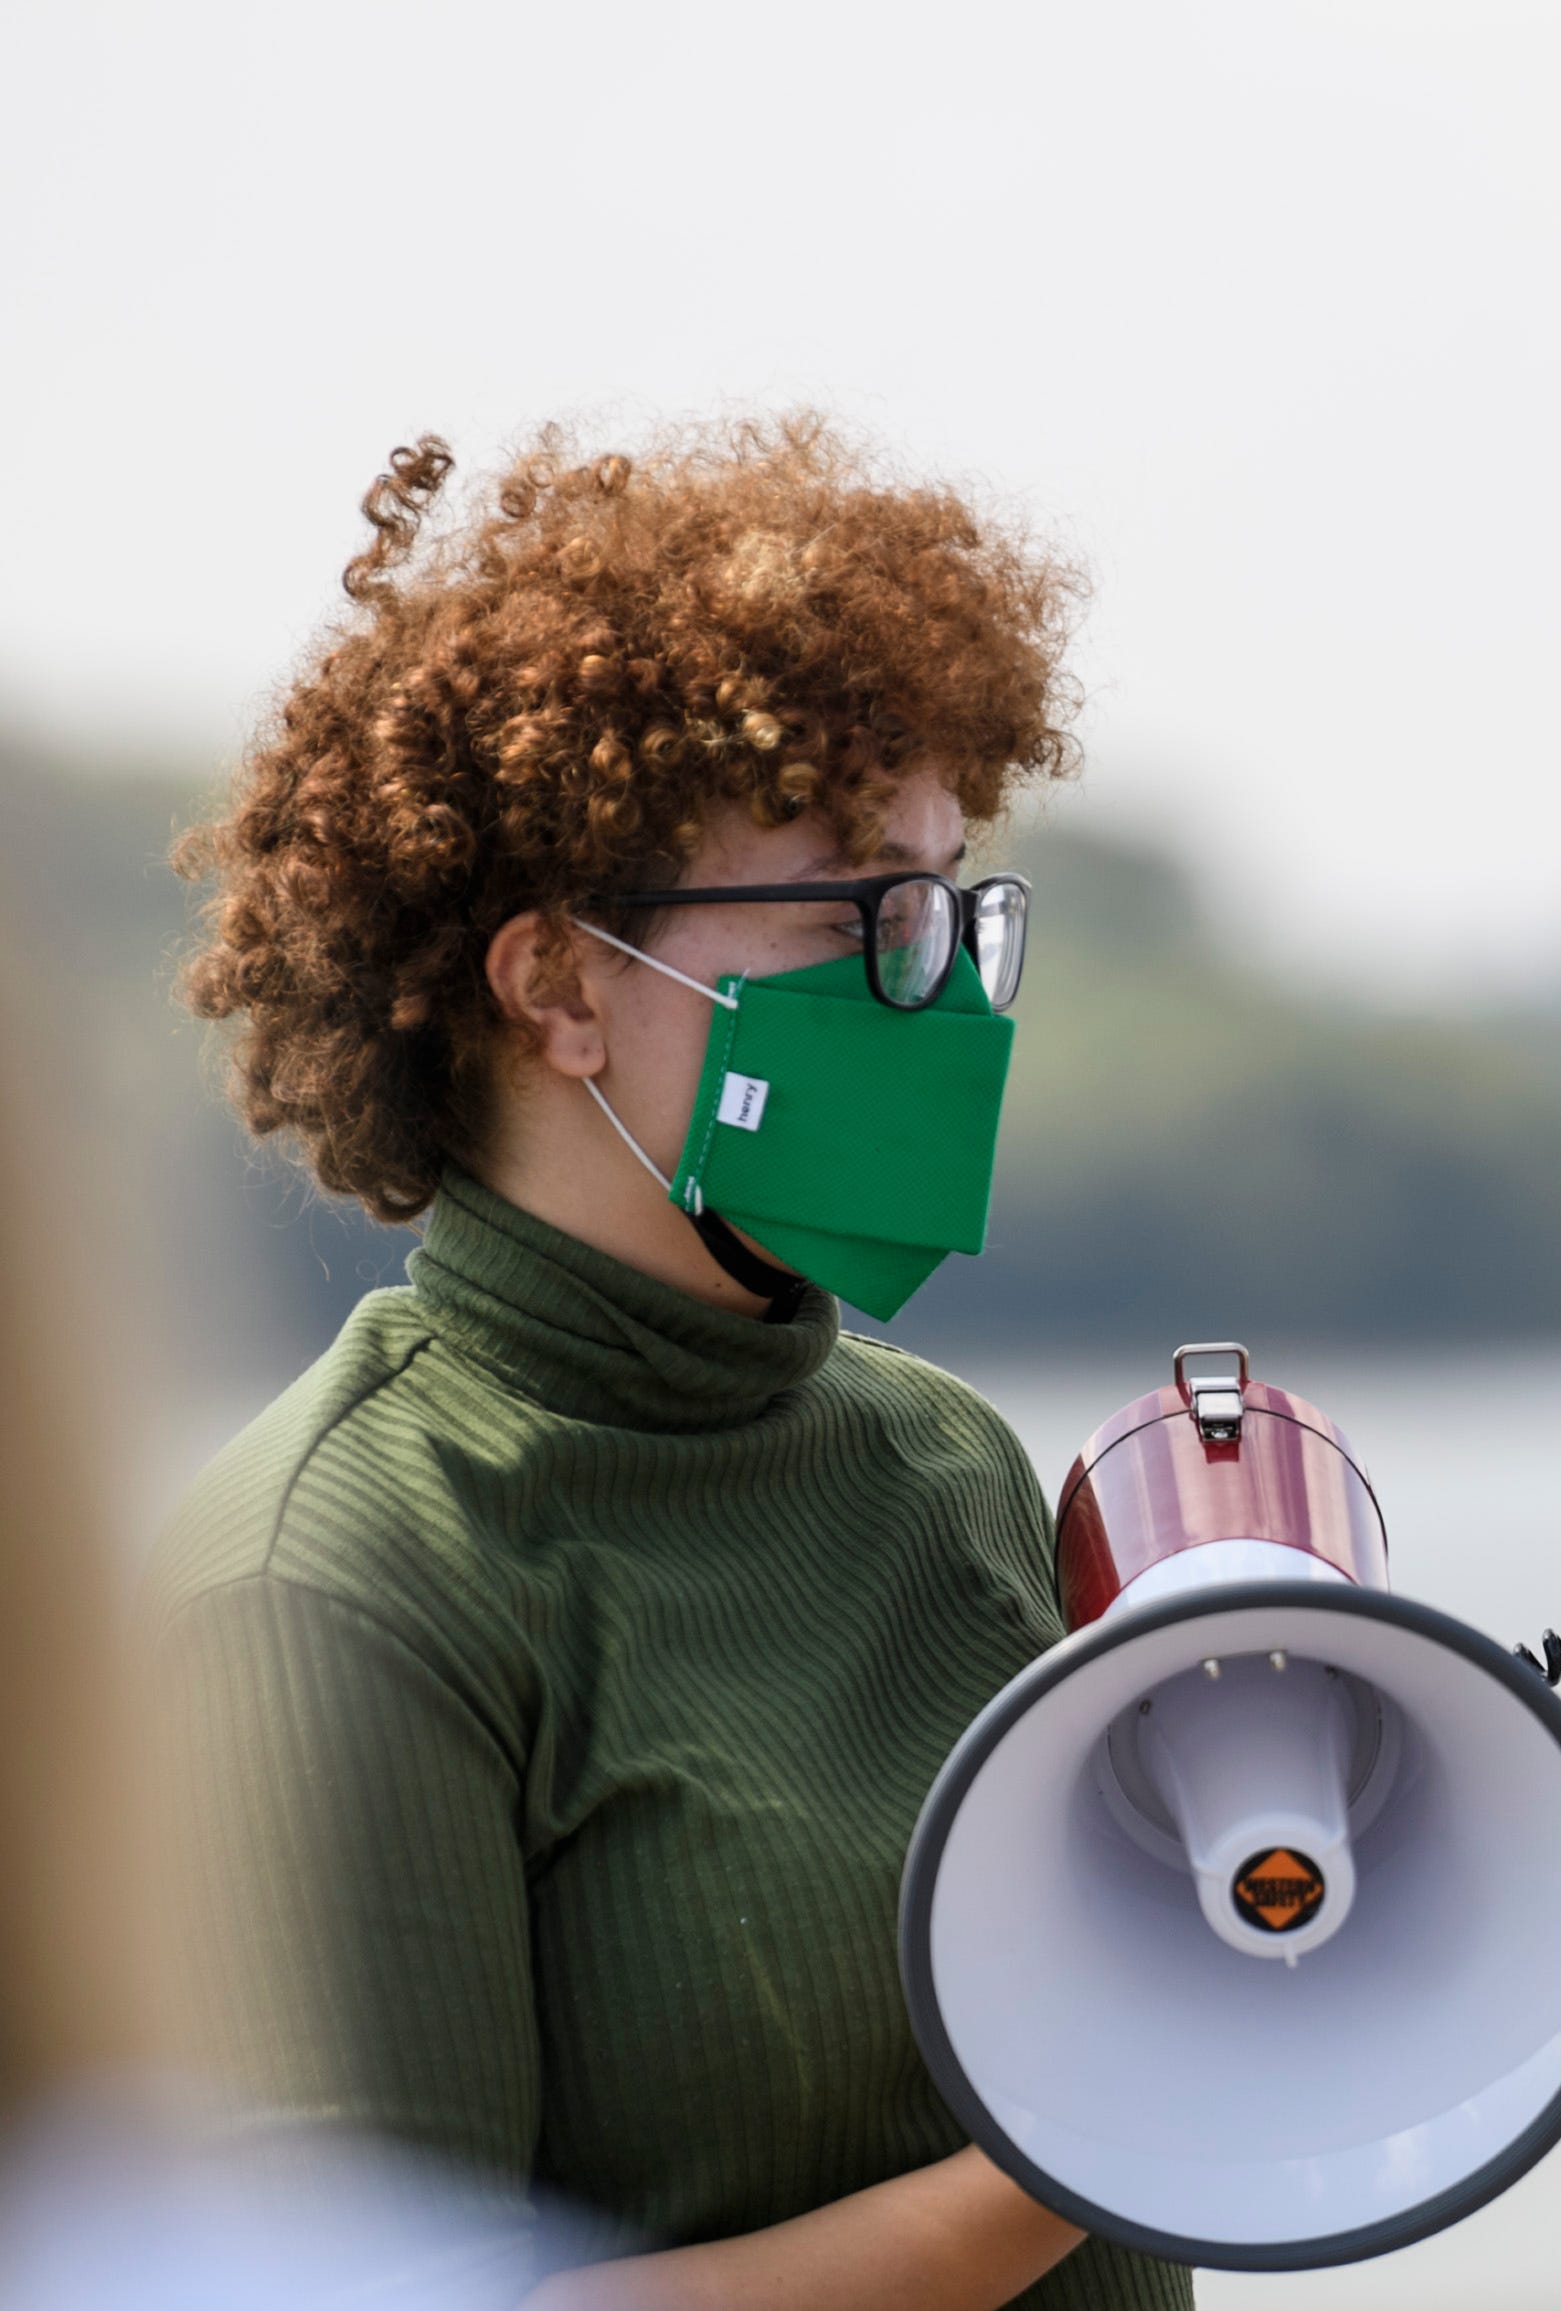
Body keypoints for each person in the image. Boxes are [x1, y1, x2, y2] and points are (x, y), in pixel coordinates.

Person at [153, 420, 1188, 2310]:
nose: (937, 986)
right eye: (864, 911)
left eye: (958, 904)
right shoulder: (335, 1582)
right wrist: (1076, 2152)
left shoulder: (941, 1463)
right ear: (555, 986)